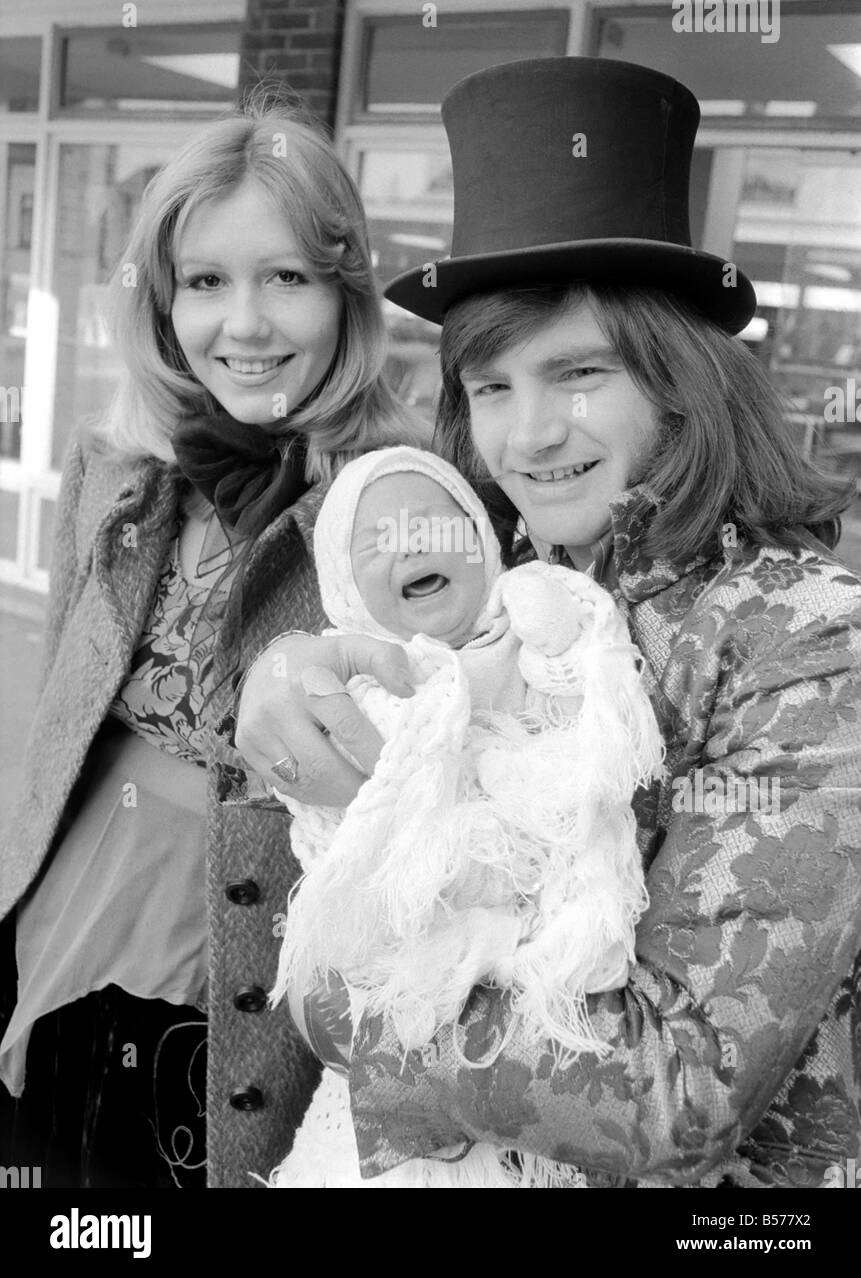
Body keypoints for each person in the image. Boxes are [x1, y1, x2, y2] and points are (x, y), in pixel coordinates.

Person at [235, 58, 861, 1189]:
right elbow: (333, 926)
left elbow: (682, 1089)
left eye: (577, 372)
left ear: (682, 380)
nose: (527, 437)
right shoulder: (501, 594)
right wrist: (286, 675)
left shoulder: (806, 638)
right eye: (491, 386)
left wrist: (372, 1016)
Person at [0, 91, 423, 1188]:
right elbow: (59, 720)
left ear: (345, 294)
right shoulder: (118, 473)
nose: (245, 323)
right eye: (205, 281)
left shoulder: (400, 501)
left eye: (287, 277)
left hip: (239, 1000)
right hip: (60, 936)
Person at [266, 444, 661, 1187]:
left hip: (555, 1036)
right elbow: (356, 861)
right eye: (377, 540)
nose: (413, 543)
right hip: (410, 1030)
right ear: (345, 586)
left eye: (436, 524)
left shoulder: (544, 641)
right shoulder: (350, 701)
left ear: (482, 539)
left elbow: (594, 738)